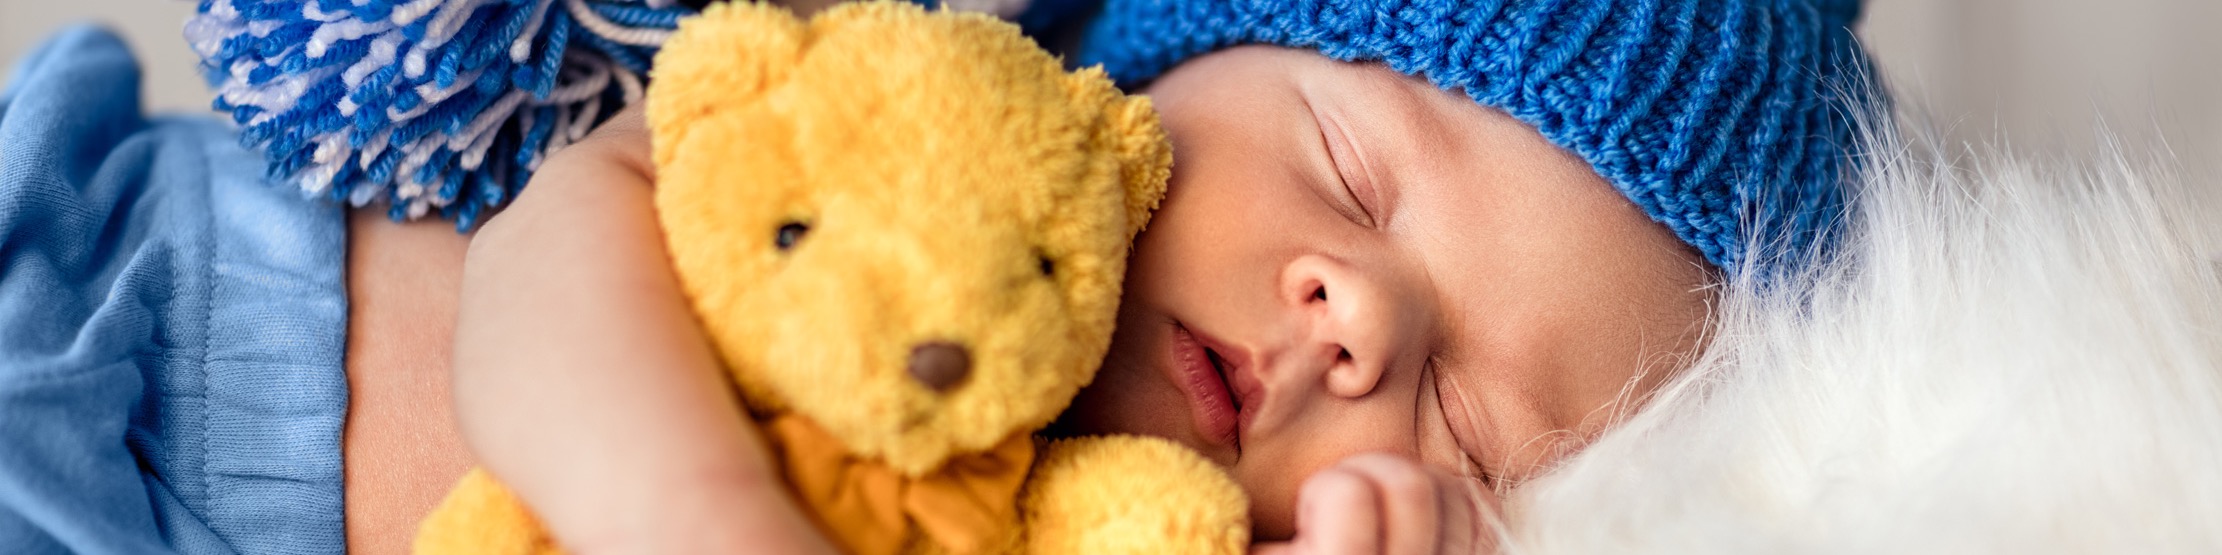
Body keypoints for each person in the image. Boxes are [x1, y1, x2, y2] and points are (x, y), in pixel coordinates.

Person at [0, 0, 1872, 553]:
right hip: (124, 328)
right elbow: (556, 246)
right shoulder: (909, 118)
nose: (1358, 317)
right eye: (1353, 173)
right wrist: (707, 523)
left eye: (1468, 416)